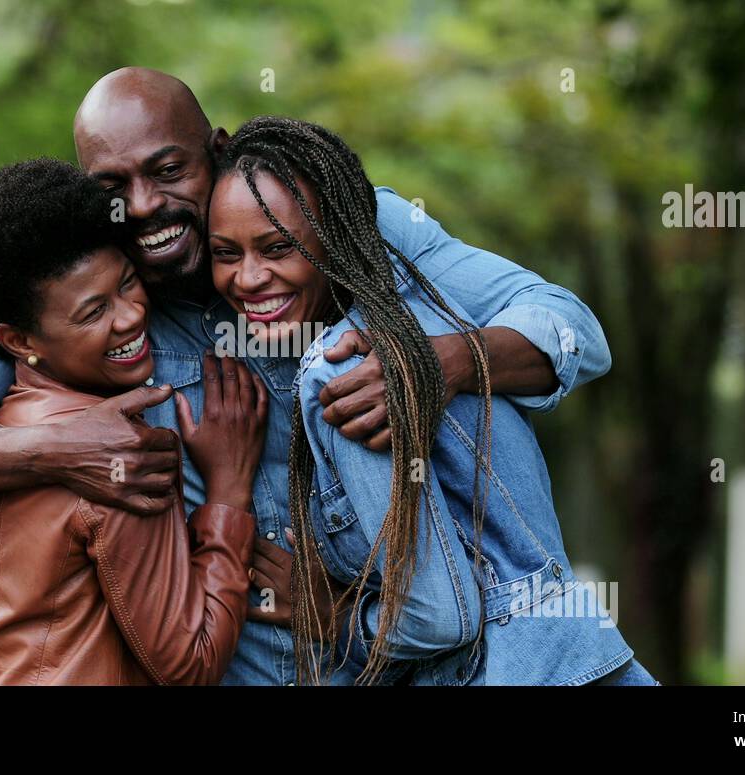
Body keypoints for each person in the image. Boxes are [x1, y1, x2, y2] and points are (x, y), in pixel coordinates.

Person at [0, 67, 614, 685]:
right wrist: (66, 448)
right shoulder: (81, 296)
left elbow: (567, 324)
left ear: (214, 150)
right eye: (113, 187)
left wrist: (436, 363)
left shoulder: (348, 222)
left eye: (167, 169)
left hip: (396, 662)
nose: (146, 205)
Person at [206, 116, 656, 685]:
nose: (248, 277)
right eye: (226, 253)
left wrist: (333, 615)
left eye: (278, 248)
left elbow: (439, 619)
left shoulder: (346, 369)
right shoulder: (419, 311)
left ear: (338, 236)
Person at [0, 157, 267, 684]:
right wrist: (229, 490)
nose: (131, 315)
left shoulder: (3, 422)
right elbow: (191, 664)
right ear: (19, 341)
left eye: (129, 283)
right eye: (93, 313)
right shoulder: (118, 457)